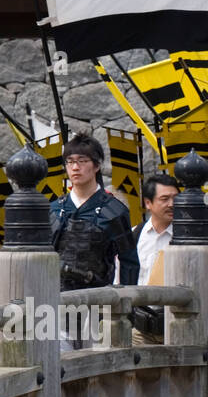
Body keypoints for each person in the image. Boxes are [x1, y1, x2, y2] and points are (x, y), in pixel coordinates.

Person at [49, 134, 140, 348]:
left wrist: (126, 305)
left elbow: (129, 261)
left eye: (82, 161)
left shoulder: (114, 211)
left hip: (97, 301)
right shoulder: (54, 209)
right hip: (56, 301)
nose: (75, 168)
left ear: (97, 165)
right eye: (70, 162)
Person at [128, 173, 178, 345]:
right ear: (148, 203)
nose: (171, 204)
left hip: (177, 324)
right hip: (139, 327)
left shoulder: (188, 238)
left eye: (175, 198)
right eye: (164, 199)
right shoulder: (134, 235)